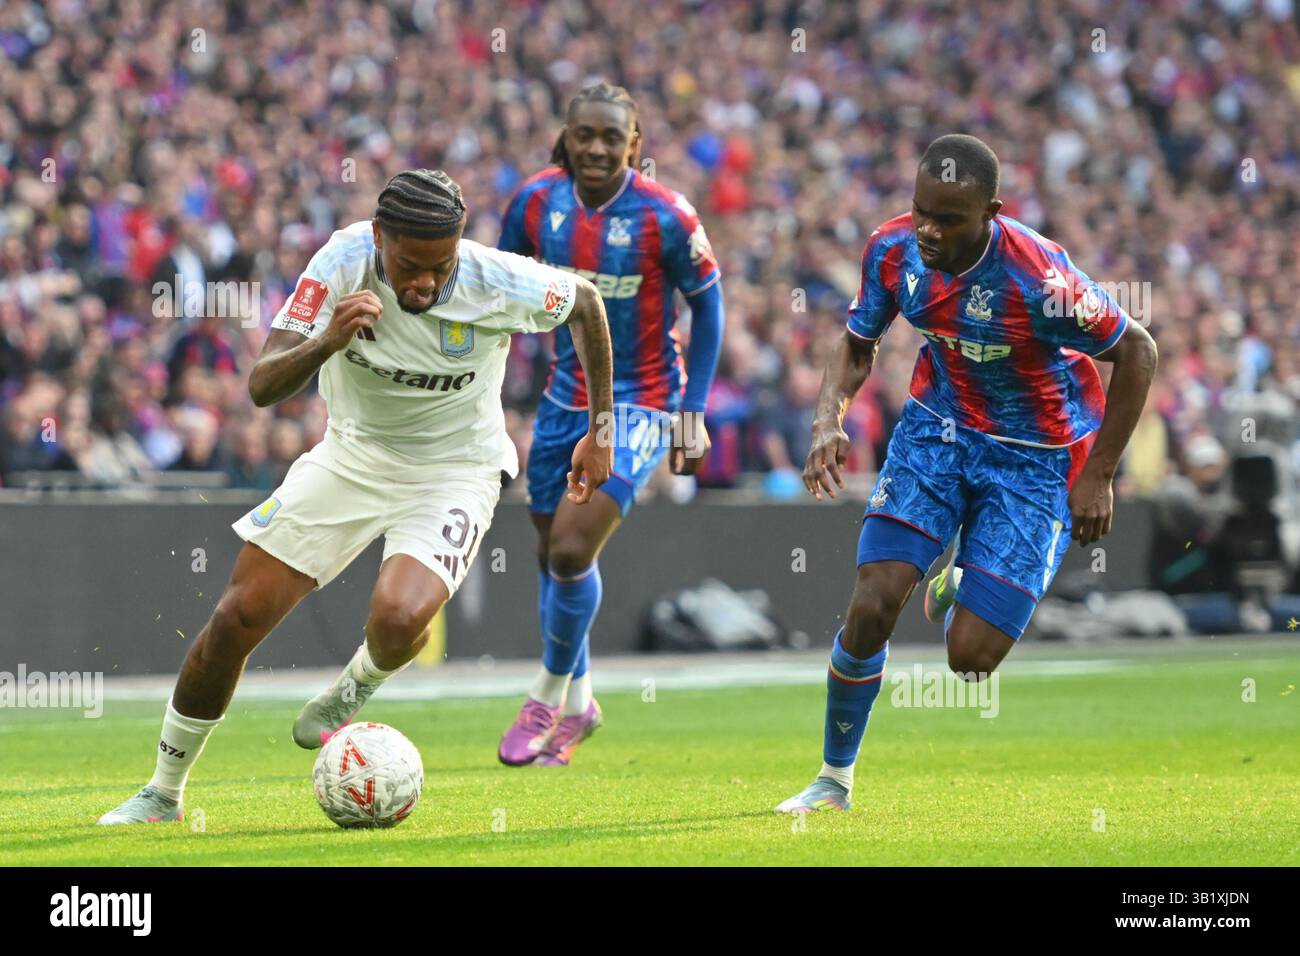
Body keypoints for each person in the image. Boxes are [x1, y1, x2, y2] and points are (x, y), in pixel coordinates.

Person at [98, 169, 614, 824]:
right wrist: (329, 340)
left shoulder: (496, 280)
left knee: (399, 621)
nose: (425, 282)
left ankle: (351, 690)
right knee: (236, 618)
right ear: (378, 239)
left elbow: (587, 304)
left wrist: (601, 432)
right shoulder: (341, 262)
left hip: (457, 469)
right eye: (409, 265)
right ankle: (163, 792)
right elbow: (261, 386)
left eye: (441, 265)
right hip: (351, 457)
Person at [777, 135, 1158, 814]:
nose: (928, 229)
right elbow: (857, 345)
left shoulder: (1041, 279)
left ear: (991, 212)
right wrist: (828, 420)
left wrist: (1100, 473)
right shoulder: (892, 250)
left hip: (1037, 455)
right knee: (871, 605)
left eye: (948, 218)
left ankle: (959, 576)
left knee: (971, 660)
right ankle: (833, 781)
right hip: (939, 430)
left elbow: (1138, 351)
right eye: (921, 210)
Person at [495, 83, 724, 766]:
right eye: (583, 134)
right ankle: (581, 702)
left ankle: (543, 694)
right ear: (565, 136)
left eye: (609, 136)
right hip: (565, 397)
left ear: (635, 143)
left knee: (570, 550)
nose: (595, 147)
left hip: (644, 399)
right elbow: (502, 292)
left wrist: (693, 412)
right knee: (551, 557)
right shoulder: (535, 203)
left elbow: (708, 309)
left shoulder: (668, 216)